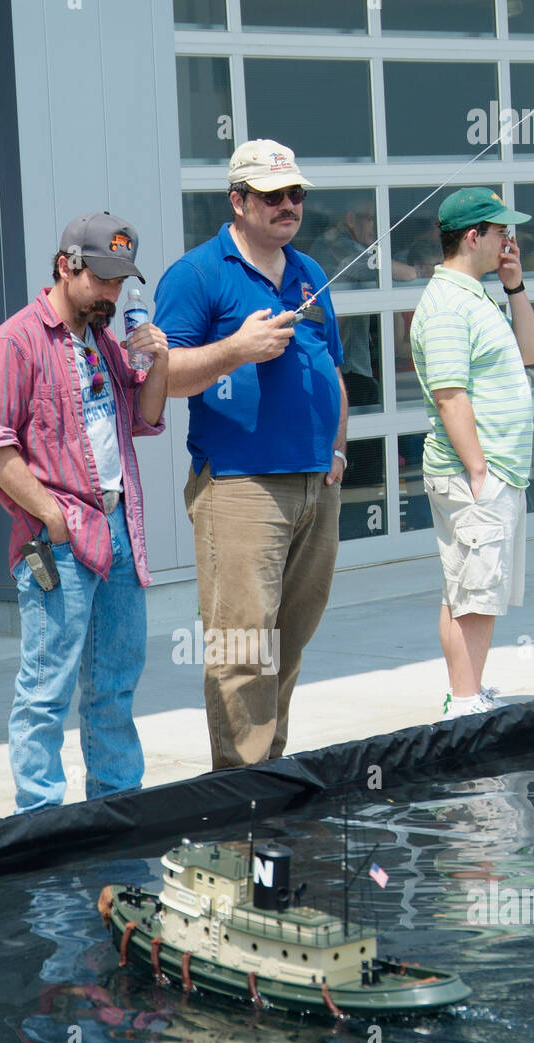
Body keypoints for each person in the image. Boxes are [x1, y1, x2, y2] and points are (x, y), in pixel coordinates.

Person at [154, 139, 348, 769]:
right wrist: (237, 348)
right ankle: (240, 788)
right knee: (243, 646)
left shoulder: (310, 272)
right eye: (272, 196)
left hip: (316, 482)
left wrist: (338, 450)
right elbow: (166, 378)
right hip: (240, 486)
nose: (288, 205)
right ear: (237, 202)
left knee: (289, 641)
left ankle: (271, 768)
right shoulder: (198, 275)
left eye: (295, 194)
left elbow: (334, 370)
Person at [0, 213, 168, 810]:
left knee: (115, 685)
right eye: (101, 280)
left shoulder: (103, 340)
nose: (112, 293)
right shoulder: (15, 341)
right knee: (45, 691)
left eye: (119, 281)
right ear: (66, 266)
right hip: (58, 537)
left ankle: (116, 807)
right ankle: (39, 818)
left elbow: (143, 418)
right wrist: (50, 517)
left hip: (118, 527)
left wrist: (159, 360)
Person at [409, 187, 534, 721]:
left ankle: (466, 692)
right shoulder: (445, 305)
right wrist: (479, 471)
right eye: (501, 231)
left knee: (464, 589)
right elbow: (449, 394)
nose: (510, 240)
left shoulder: (477, 295)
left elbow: (531, 352)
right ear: (473, 236)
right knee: (478, 595)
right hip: (474, 475)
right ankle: (465, 704)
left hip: (487, 472)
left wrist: (515, 286)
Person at [310, 202, 417, 408]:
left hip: (342, 363)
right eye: (369, 219)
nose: (375, 226)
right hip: (348, 368)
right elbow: (405, 273)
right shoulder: (343, 246)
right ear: (351, 219)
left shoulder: (333, 243)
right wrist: (421, 272)